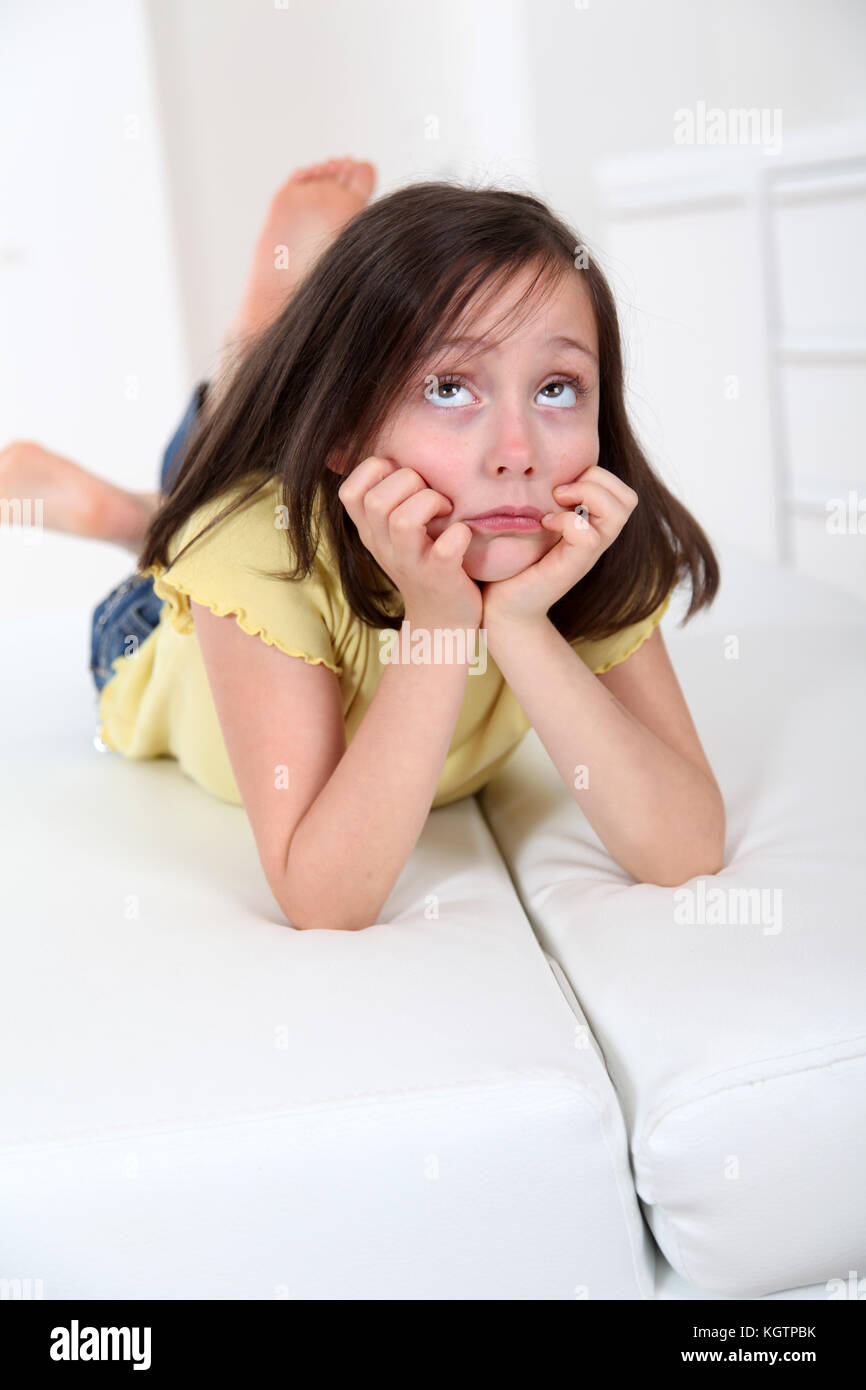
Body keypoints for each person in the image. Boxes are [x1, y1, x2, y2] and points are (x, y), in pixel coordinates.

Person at [0, 156, 725, 929]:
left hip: (318, 488)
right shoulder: (253, 553)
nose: (519, 452)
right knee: (218, 495)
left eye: (556, 389)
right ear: (345, 432)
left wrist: (519, 622)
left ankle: (218, 406)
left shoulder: (581, 541)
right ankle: (227, 383)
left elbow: (685, 852)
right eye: (450, 388)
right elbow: (325, 899)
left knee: (240, 472)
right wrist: (442, 624)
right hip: (150, 634)